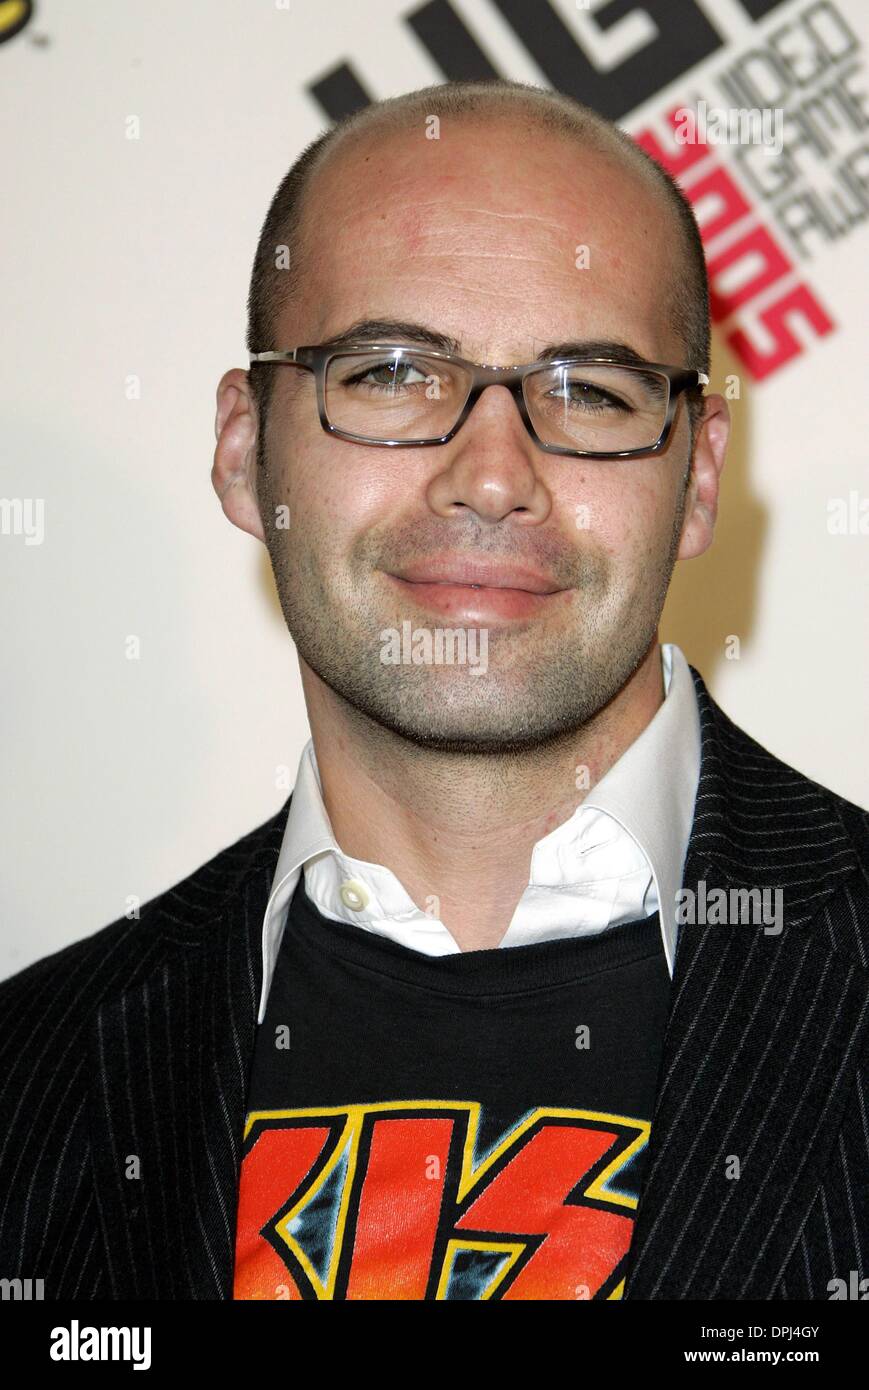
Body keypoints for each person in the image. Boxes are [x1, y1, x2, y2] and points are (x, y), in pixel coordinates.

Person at [1, 79, 867, 1303]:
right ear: (247, 450)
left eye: (589, 390)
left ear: (699, 476)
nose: (493, 476)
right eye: (395, 371)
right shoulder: (28, 1083)